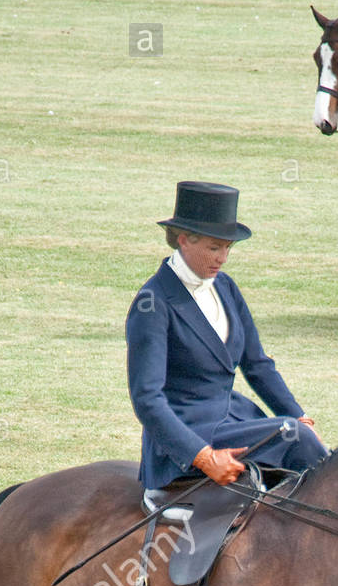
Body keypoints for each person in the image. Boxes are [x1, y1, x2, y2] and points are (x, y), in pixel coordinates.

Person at [126, 181, 326, 491]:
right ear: (183, 241)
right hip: (187, 436)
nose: (223, 258)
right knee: (293, 436)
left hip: (233, 420)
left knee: (299, 433)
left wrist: (299, 415)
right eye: (214, 248)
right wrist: (202, 457)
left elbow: (257, 364)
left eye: (227, 248)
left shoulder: (225, 287)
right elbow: (147, 399)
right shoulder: (152, 304)